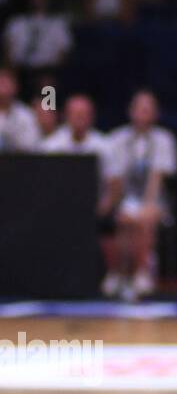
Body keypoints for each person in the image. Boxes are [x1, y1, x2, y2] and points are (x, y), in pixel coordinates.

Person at [104, 90, 177, 300]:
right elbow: (114, 179)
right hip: (124, 198)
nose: (143, 113)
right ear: (131, 111)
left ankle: (140, 274)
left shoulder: (164, 139)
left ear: (156, 113)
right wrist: (121, 207)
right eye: (140, 108)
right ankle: (119, 273)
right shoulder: (117, 138)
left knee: (145, 219)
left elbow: (157, 179)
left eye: (149, 109)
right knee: (123, 219)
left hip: (154, 200)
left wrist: (147, 207)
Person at [42, 94, 123, 282]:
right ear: (65, 116)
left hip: (97, 208)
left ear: (91, 117)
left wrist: (103, 207)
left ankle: (113, 275)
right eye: (75, 114)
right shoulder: (51, 146)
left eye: (83, 114)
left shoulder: (104, 146)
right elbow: (42, 185)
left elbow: (115, 185)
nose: (79, 118)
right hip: (58, 208)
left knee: (112, 223)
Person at [0, 66, 39, 152]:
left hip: (18, 161)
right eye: (1, 82)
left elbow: (31, 145)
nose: (2, 87)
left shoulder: (26, 114)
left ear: (15, 87)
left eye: (6, 83)